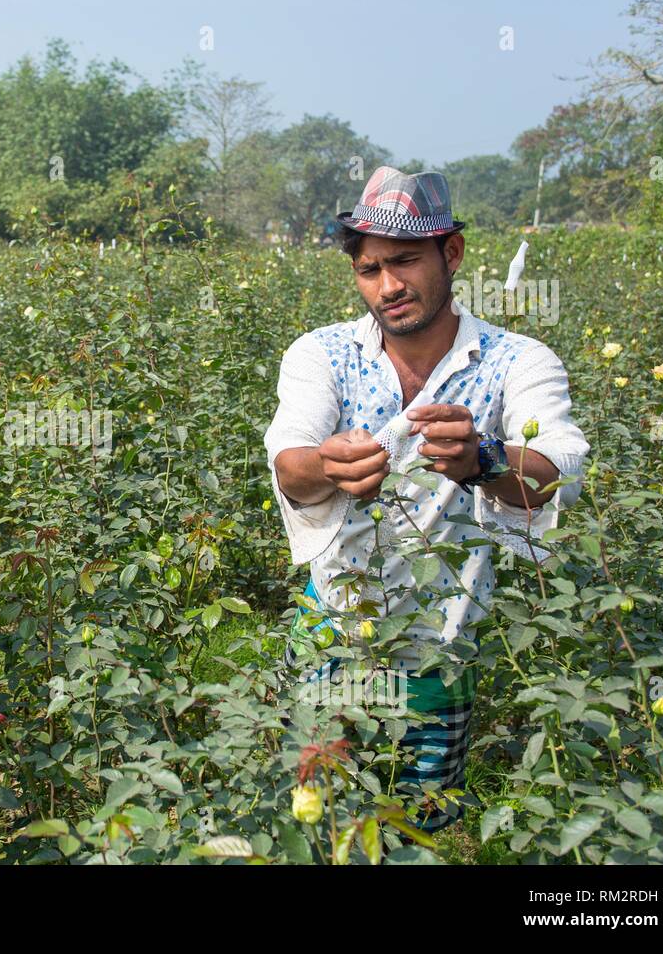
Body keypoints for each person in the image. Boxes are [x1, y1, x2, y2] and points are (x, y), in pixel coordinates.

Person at [264, 165, 589, 834]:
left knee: (419, 824)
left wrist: (484, 458)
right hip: (335, 627)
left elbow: (558, 468)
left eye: (406, 261)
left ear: (453, 253)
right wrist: (326, 463)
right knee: (318, 816)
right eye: (369, 269)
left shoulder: (514, 361)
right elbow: (289, 461)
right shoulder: (323, 354)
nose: (388, 286)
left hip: (443, 641)